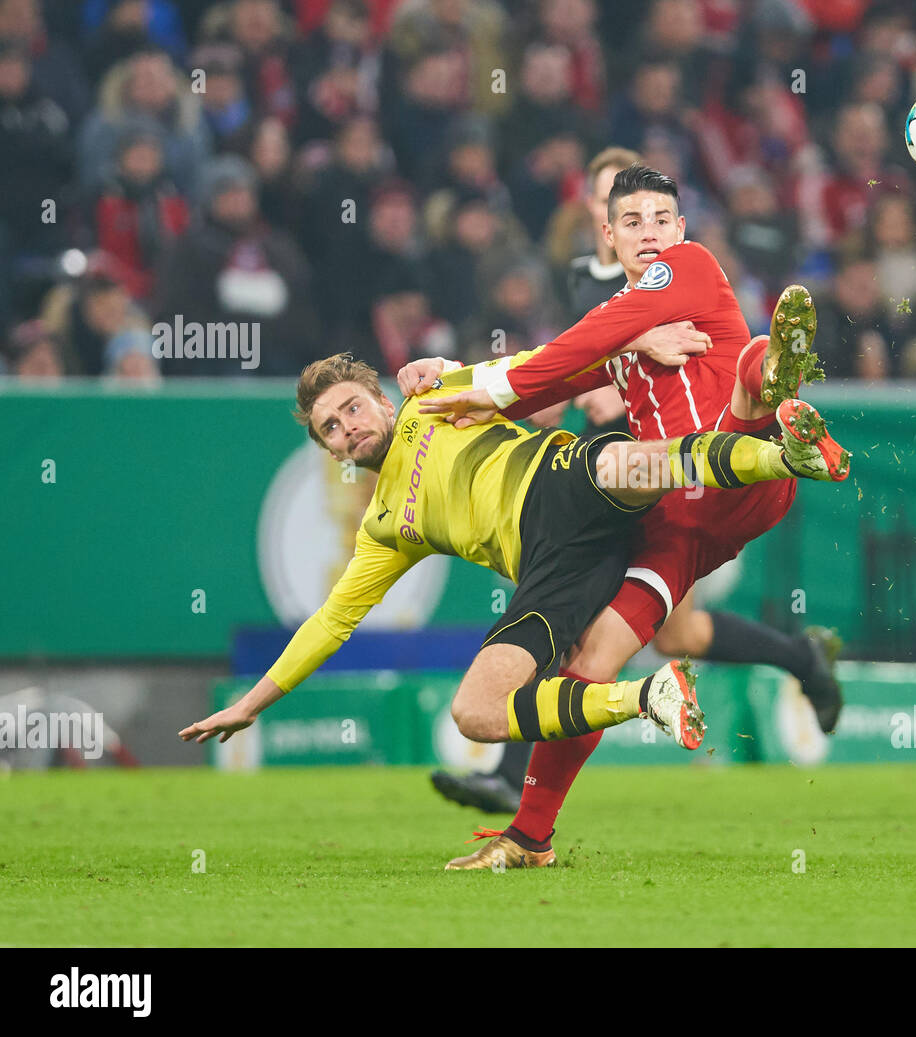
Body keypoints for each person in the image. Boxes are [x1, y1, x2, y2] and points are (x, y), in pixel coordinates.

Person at [178, 351, 850, 867]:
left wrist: (635, 340)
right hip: (554, 571)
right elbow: (331, 622)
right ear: (326, 450)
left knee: (638, 465)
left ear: (379, 400)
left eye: (352, 408)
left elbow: (532, 371)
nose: (347, 427)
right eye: (330, 427)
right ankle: (644, 697)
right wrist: (253, 702)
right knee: (475, 709)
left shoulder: (433, 395)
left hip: (560, 483)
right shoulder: (384, 526)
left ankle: (781, 452)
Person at [403, 165, 845, 868]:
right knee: (587, 665)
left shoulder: (690, 269)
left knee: (755, 365)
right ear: (606, 234)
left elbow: (574, 346)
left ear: (682, 230)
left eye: (661, 219)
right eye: (631, 221)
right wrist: (456, 384)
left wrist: (514, 379)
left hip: (735, 473)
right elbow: (549, 378)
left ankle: (792, 427)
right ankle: (529, 836)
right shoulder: (621, 337)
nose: (649, 233)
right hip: (678, 531)